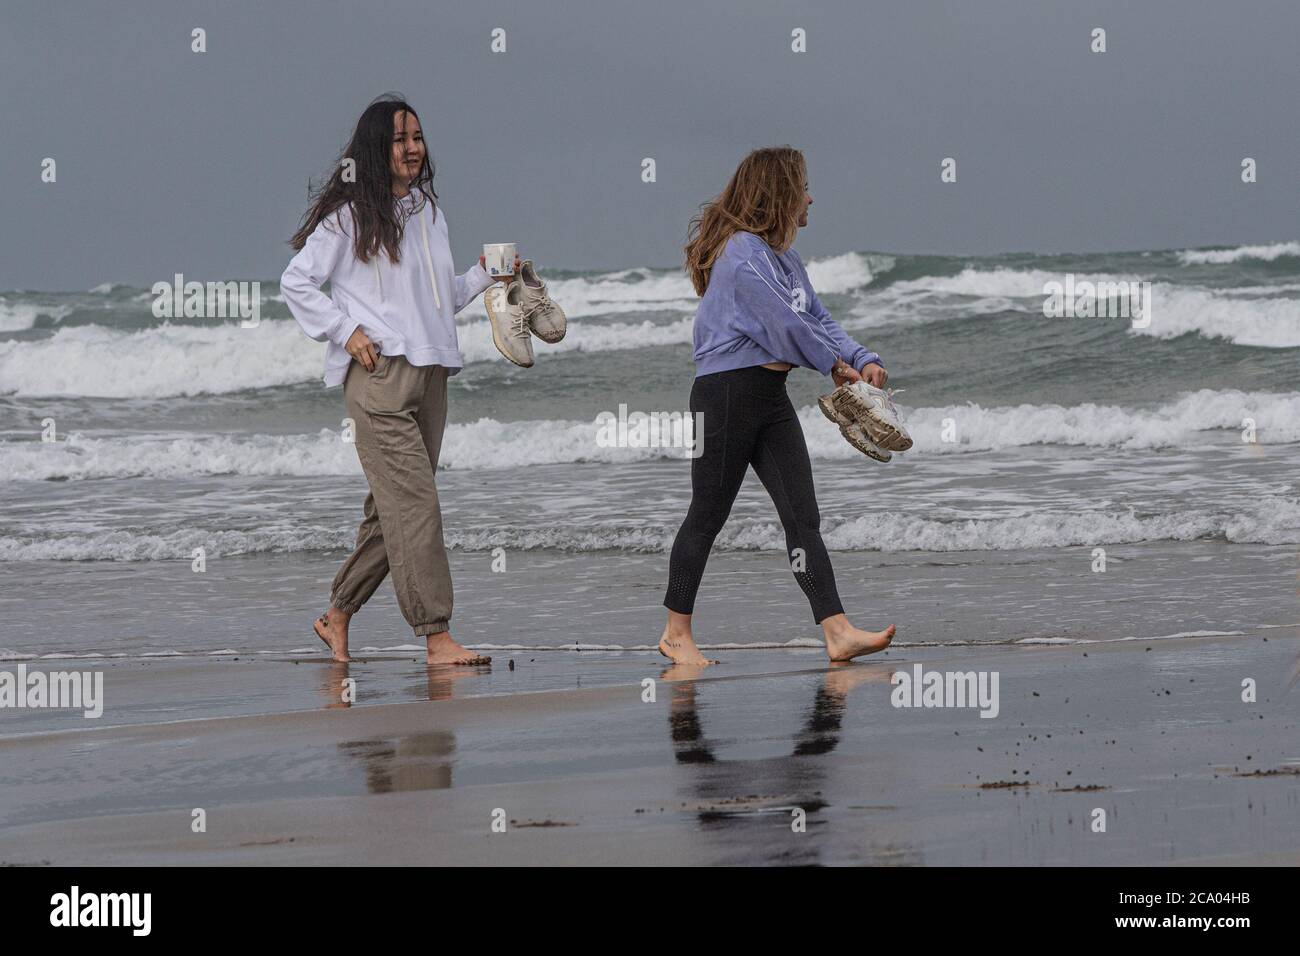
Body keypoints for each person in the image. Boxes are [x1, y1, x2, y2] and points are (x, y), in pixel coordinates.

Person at [281, 94, 516, 665]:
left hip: (432, 373)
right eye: (399, 140)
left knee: (394, 512)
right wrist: (345, 330)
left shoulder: (427, 213)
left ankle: (336, 615)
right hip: (379, 378)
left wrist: (485, 274)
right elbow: (296, 281)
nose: (412, 149)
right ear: (375, 150)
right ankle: (437, 637)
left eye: (417, 137)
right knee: (416, 507)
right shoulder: (350, 215)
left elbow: (439, 301)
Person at [660, 146, 897, 666]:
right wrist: (837, 368)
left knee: (801, 515)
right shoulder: (743, 254)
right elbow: (787, 327)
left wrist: (862, 356)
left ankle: (836, 631)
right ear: (781, 193)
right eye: (804, 187)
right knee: (708, 513)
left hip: (768, 396)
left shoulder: (784, 260)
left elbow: (817, 316)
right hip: (725, 394)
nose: (810, 197)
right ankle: (676, 632)